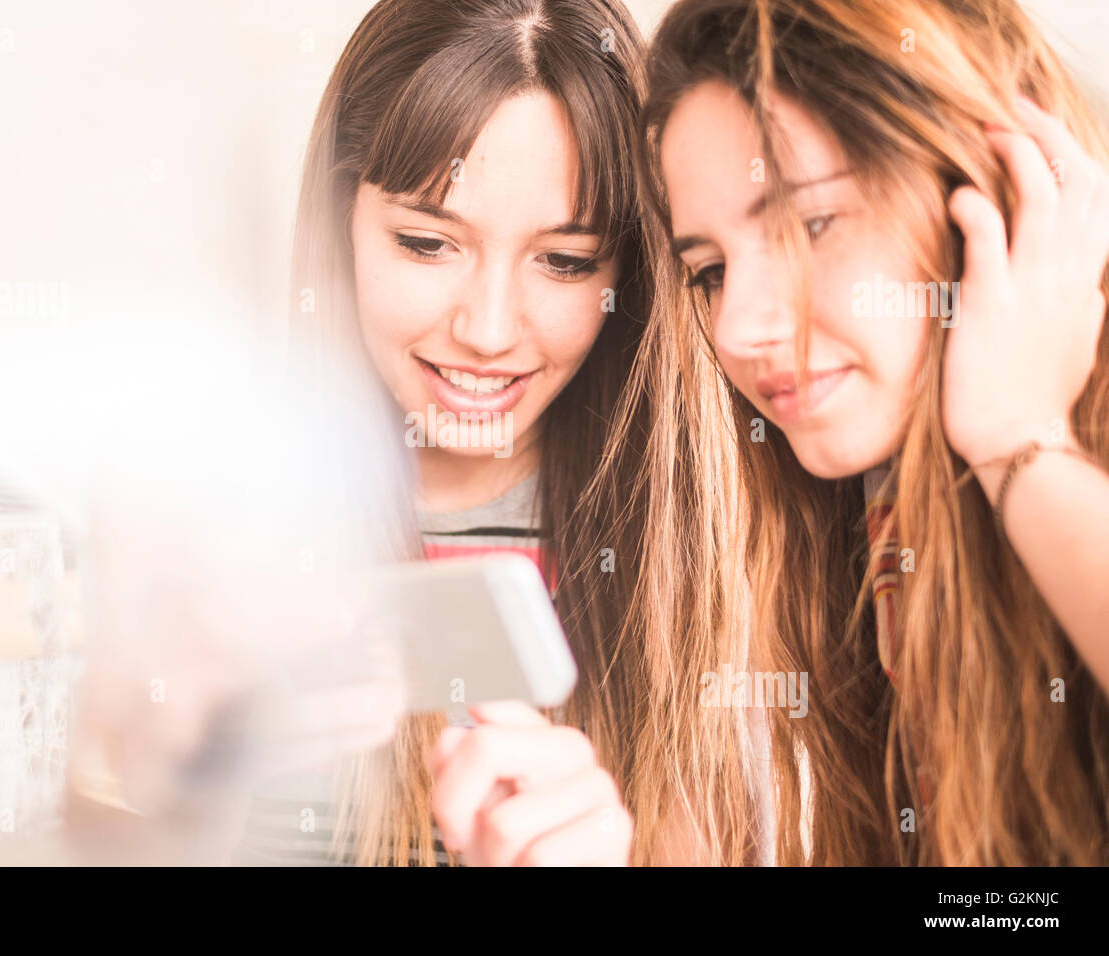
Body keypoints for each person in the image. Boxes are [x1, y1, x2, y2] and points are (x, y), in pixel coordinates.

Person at [247, 0, 757, 866]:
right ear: (342, 220)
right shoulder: (217, 513)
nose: (487, 331)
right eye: (427, 243)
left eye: (564, 261)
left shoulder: (714, 564)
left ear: (628, 269)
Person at [634, 0, 1109, 863]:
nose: (738, 328)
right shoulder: (865, 535)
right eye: (708, 271)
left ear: (1001, 188)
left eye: (810, 223)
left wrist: (1018, 440)